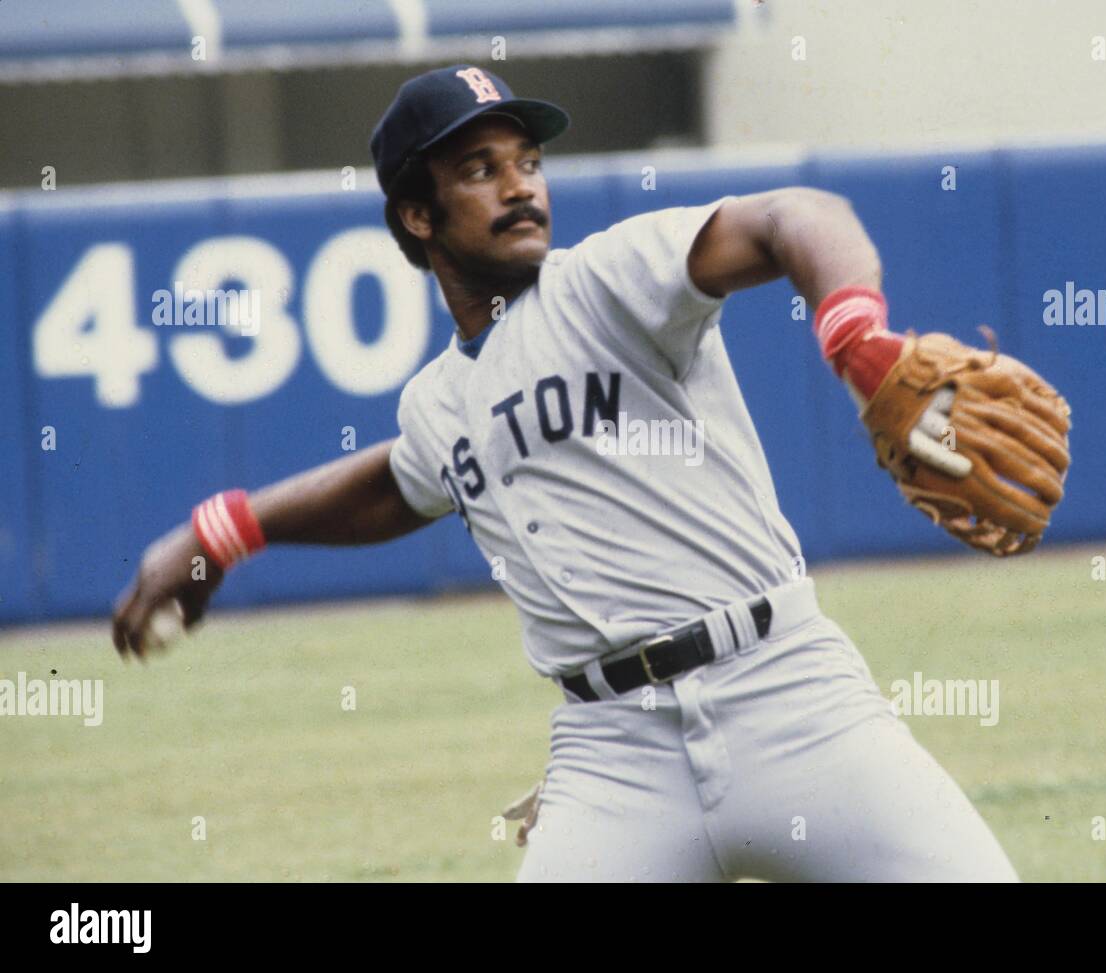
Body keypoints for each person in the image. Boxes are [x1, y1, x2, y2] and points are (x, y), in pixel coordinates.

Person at [112, 65, 1018, 882]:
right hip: (614, 755)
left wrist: (857, 336)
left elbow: (795, 218)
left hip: (787, 691)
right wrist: (215, 535)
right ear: (417, 216)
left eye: (529, 160)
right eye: (479, 169)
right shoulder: (436, 404)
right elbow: (398, 482)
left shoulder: (608, 280)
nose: (520, 187)